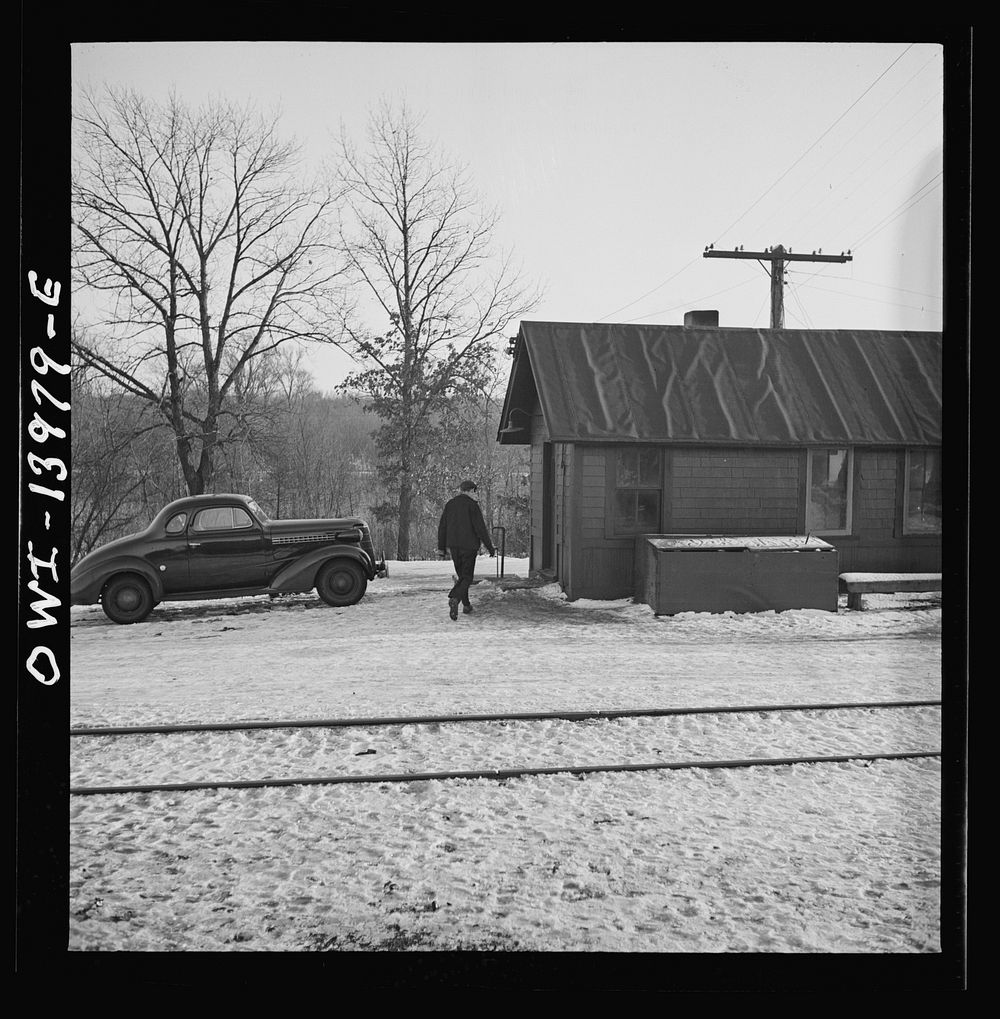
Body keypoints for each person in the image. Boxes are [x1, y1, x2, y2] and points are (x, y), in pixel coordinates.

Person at [437, 479, 496, 620]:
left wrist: (441, 548)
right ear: (469, 491)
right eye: (475, 491)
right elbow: (480, 528)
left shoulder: (450, 504)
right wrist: (490, 547)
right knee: (467, 577)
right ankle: (455, 598)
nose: (476, 494)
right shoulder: (472, 506)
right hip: (469, 546)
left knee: (462, 577)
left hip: (454, 547)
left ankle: (466, 605)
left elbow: (442, 527)